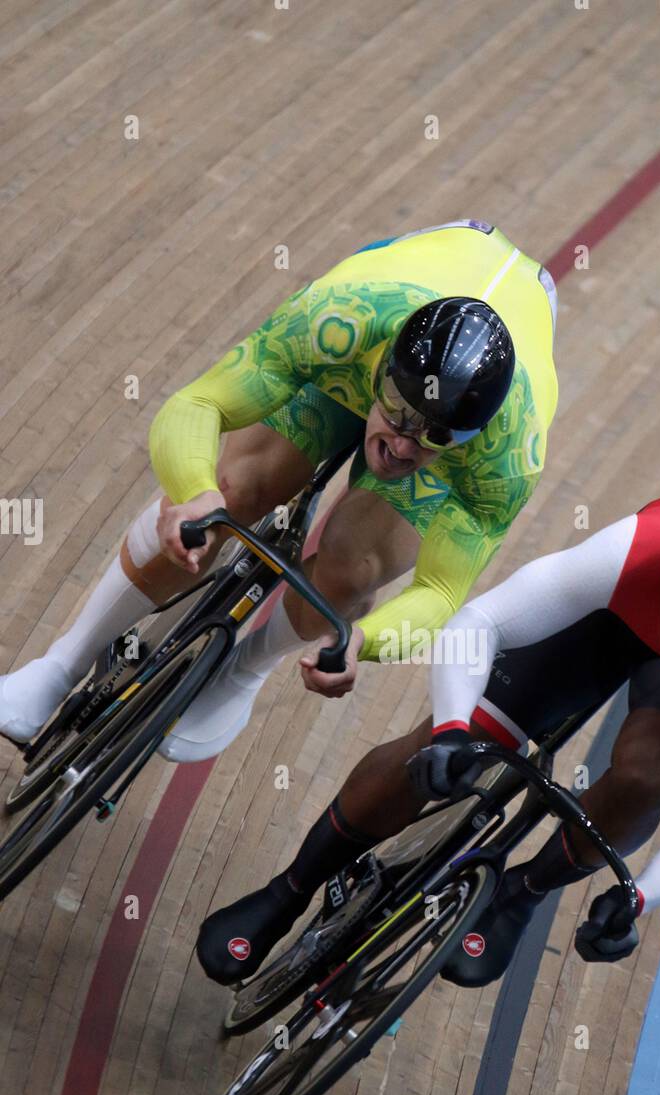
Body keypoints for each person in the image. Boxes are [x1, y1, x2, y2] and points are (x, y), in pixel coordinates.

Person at [194, 491, 660, 987]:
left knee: (645, 776)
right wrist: (448, 730)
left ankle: (520, 894)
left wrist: (640, 898)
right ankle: (290, 889)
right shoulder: (637, 552)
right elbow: (483, 621)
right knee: (461, 734)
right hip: (619, 617)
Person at [0, 220, 558, 762]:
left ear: (473, 434)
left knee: (355, 566)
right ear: (384, 369)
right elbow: (201, 404)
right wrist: (194, 492)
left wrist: (361, 640)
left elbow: (440, 591)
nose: (404, 446)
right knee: (234, 489)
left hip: (436, 407)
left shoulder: (508, 454)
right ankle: (59, 665)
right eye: (397, 415)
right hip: (353, 354)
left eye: (435, 436)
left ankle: (243, 671)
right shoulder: (341, 319)